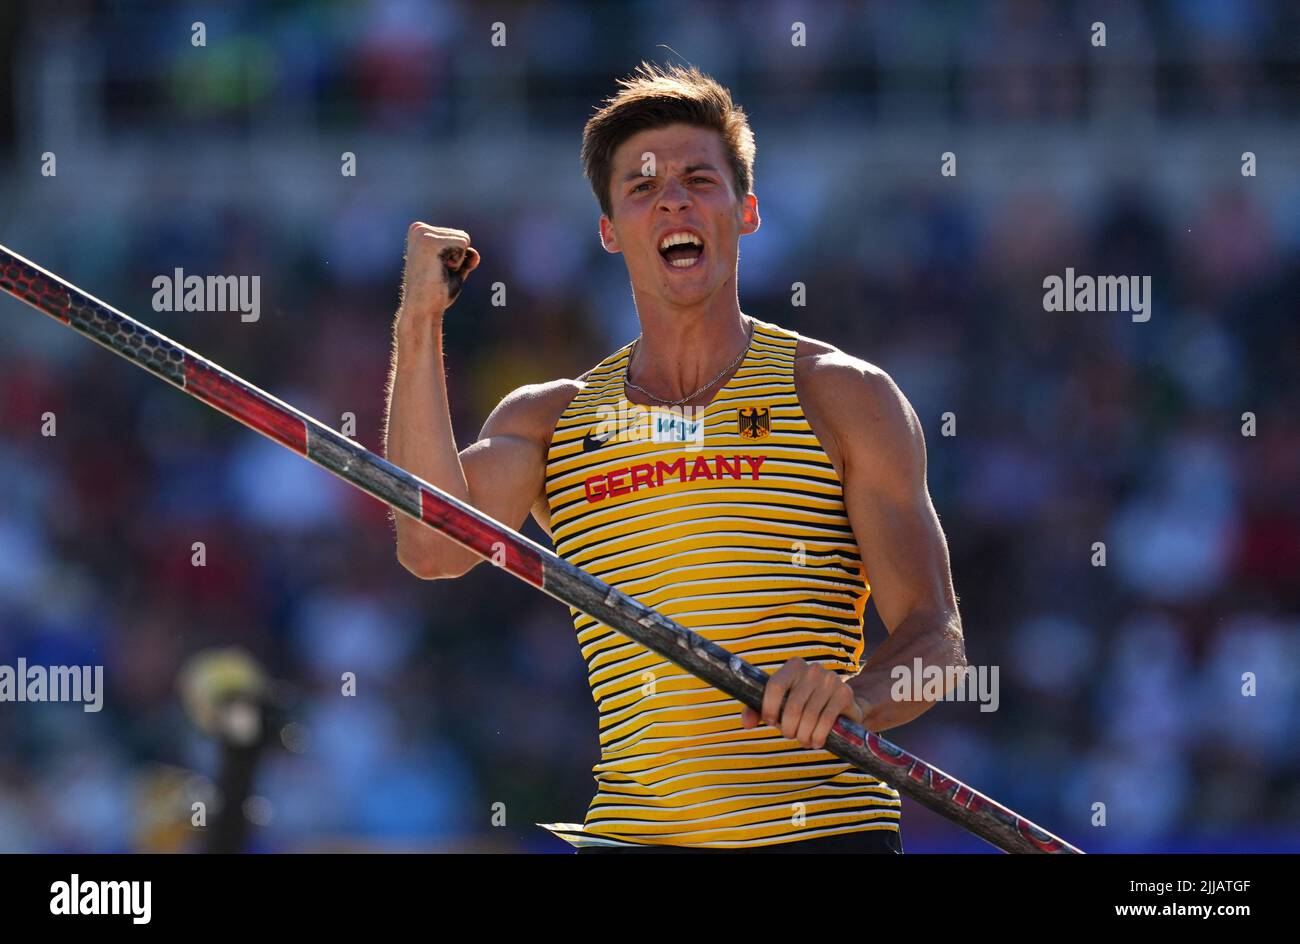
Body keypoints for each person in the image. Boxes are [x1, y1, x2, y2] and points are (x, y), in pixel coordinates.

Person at [384, 61, 966, 853]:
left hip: (821, 837)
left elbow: (940, 649)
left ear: (746, 210)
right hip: (637, 840)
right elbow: (428, 545)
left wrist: (856, 695)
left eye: (700, 179)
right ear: (610, 231)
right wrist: (419, 323)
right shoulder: (551, 421)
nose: (673, 201)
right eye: (642, 187)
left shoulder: (840, 397)